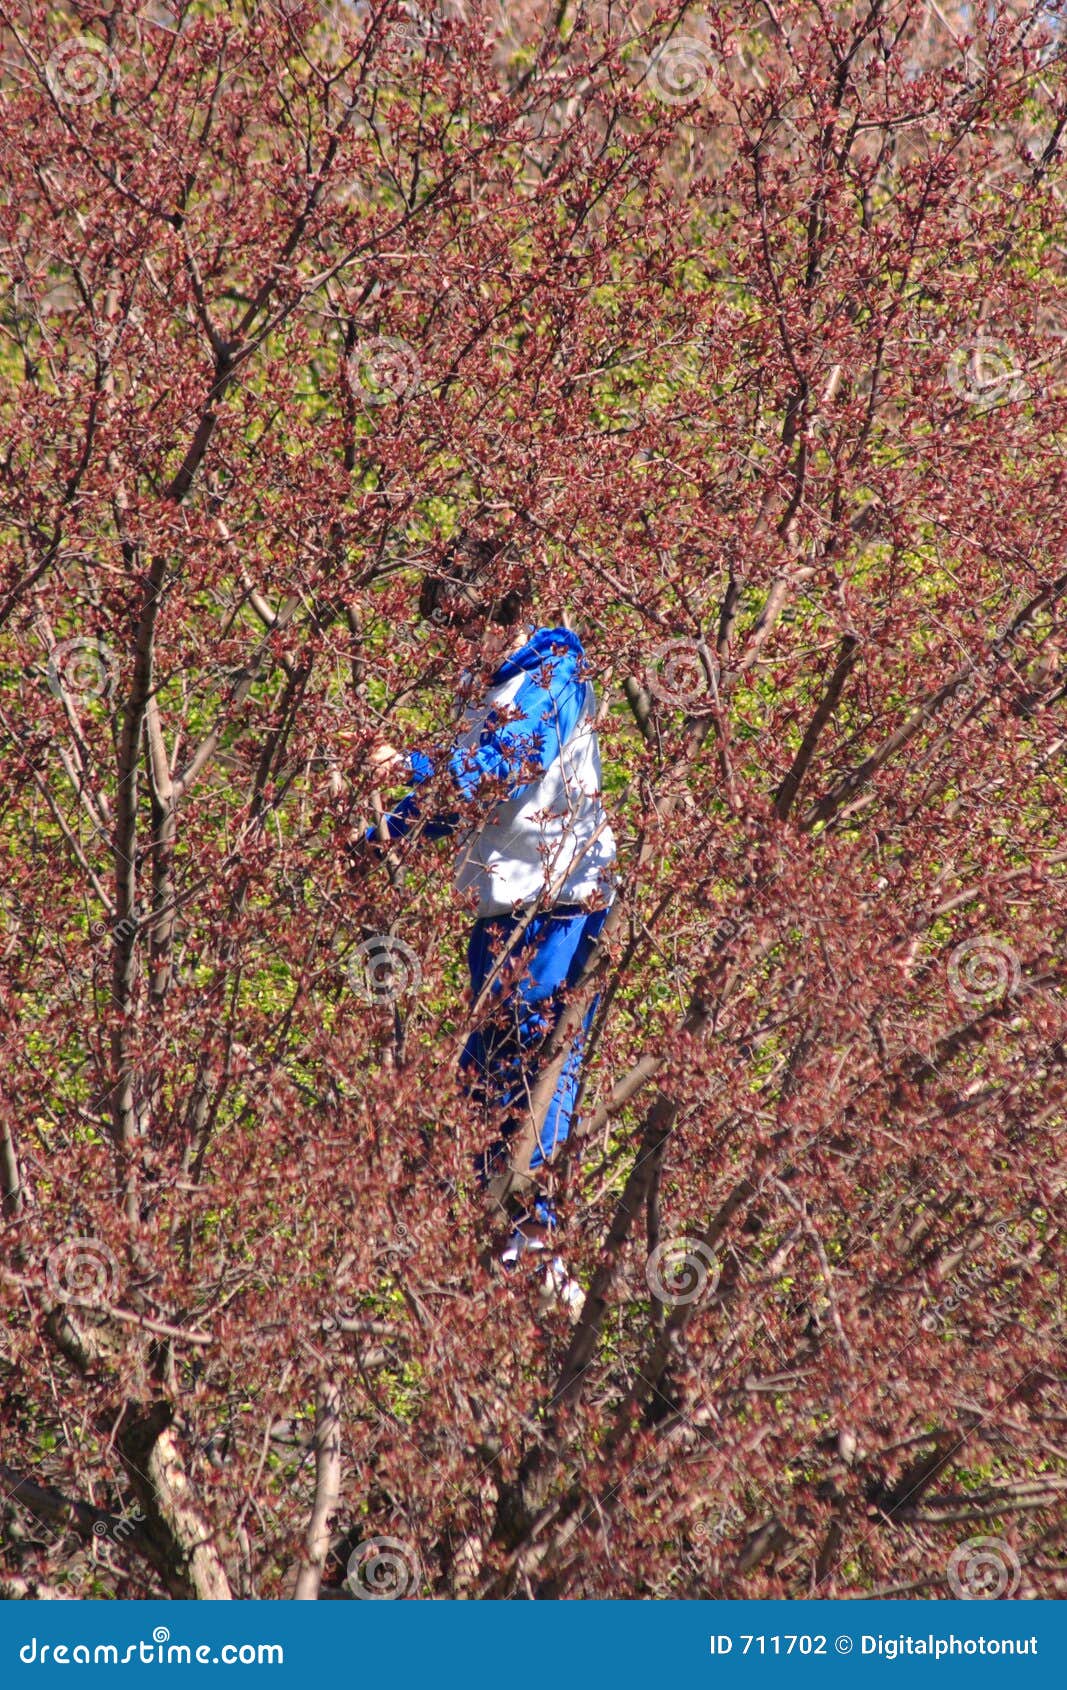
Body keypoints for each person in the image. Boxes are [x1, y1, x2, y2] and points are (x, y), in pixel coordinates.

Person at [356, 534, 617, 1309]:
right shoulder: (488, 694)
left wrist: (411, 769)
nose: (452, 646)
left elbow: (498, 770)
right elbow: (455, 802)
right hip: (501, 917)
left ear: (496, 613)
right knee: (481, 1083)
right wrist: (377, 835)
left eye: (461, 626)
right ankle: (503, 1246)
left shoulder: (553, 675)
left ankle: (536, 1243)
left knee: (534, 1066)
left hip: (560, 906)